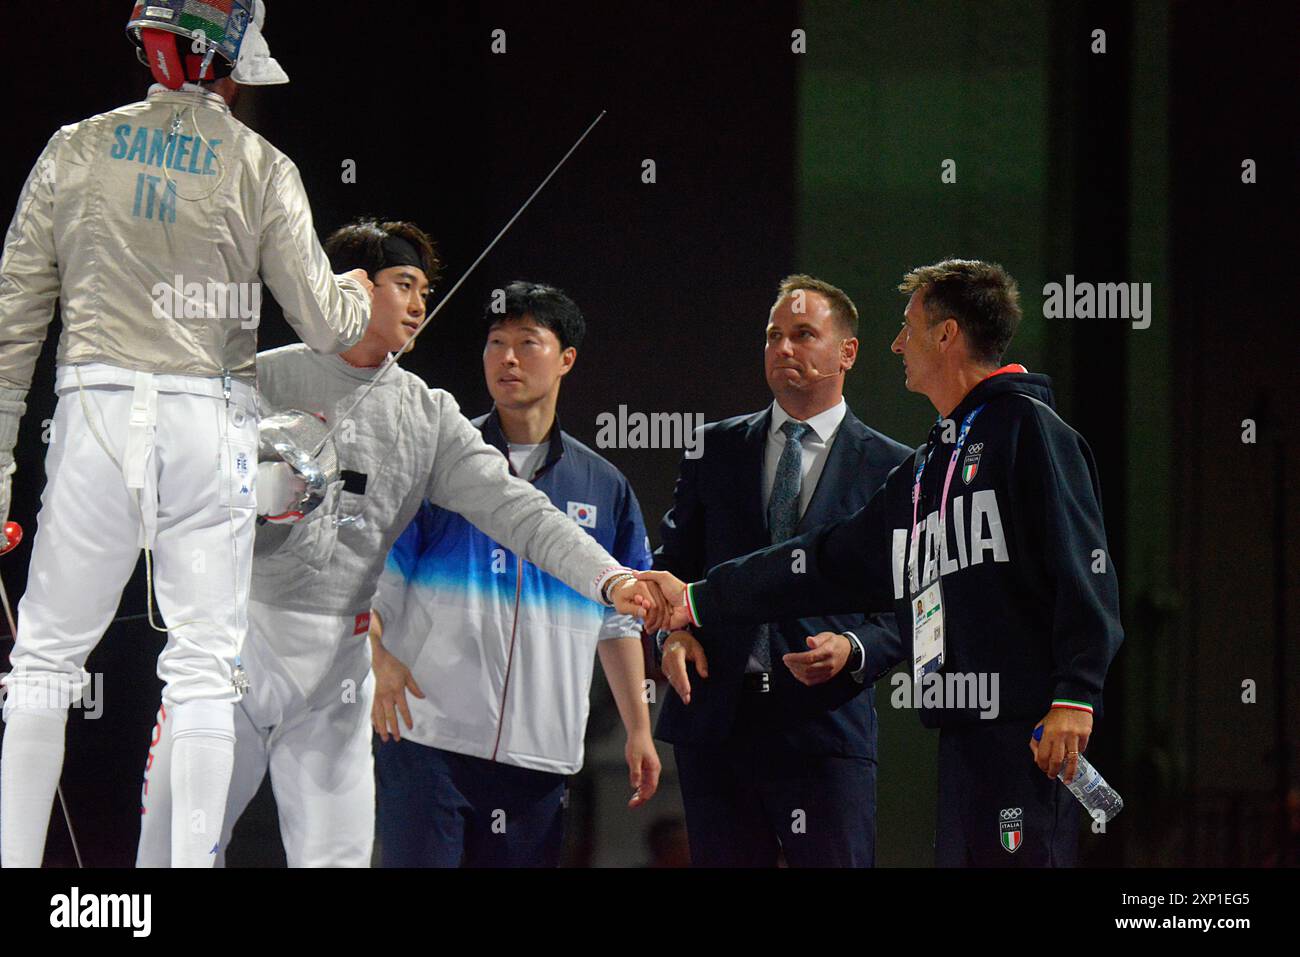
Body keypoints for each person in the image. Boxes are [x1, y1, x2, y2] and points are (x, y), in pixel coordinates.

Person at [136, 230, 666, 867]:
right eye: (404, 286)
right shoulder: (259, 378)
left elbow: (519, 511)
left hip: (338, 669)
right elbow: (158, 472)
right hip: (235, 645)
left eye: (424, 291)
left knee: (338, 860)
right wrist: (242, 485)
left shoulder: (428, 415)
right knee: (178, 848)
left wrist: (610, 580)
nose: (418, 306)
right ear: (352, 287)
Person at [0, 1, 374, 868]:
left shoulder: (73, 147)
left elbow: (13, 326)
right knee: (206, 667)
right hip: (209, 422)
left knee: (45, 662)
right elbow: (324, 321)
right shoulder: (260, 163)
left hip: (93, 413)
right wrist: (354, 293)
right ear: (225, 65)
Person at [640, 259, 1125, 867]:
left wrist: (1077, 694)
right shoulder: (929, 465)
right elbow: (825, 559)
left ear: (947, 336)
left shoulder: (1033, 430)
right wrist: (697, 600)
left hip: (1026, 730)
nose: (898, 344)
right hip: (962, 729)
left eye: (909, 327)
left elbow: (1088, 567)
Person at [369, 281, 662, 867]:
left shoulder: (605, 487)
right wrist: (377, 659)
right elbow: (381, 579)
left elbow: (618, 623)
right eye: (496, 343)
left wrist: (639, 729)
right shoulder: (439, 462)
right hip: (427, 739)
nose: (507, 357)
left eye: (528, 343)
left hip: (539, 756)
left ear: (567, 360)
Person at [650, 275, 909, 867]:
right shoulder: (713, 448)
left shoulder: (893, 467)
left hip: (825, 726)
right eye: (773, 336)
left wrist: (855, 647)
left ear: (847, 352)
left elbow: (917, 603)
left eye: (803, 335)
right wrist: (674, 634)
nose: (783, 349)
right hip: (716, 723)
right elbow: (672, 568)